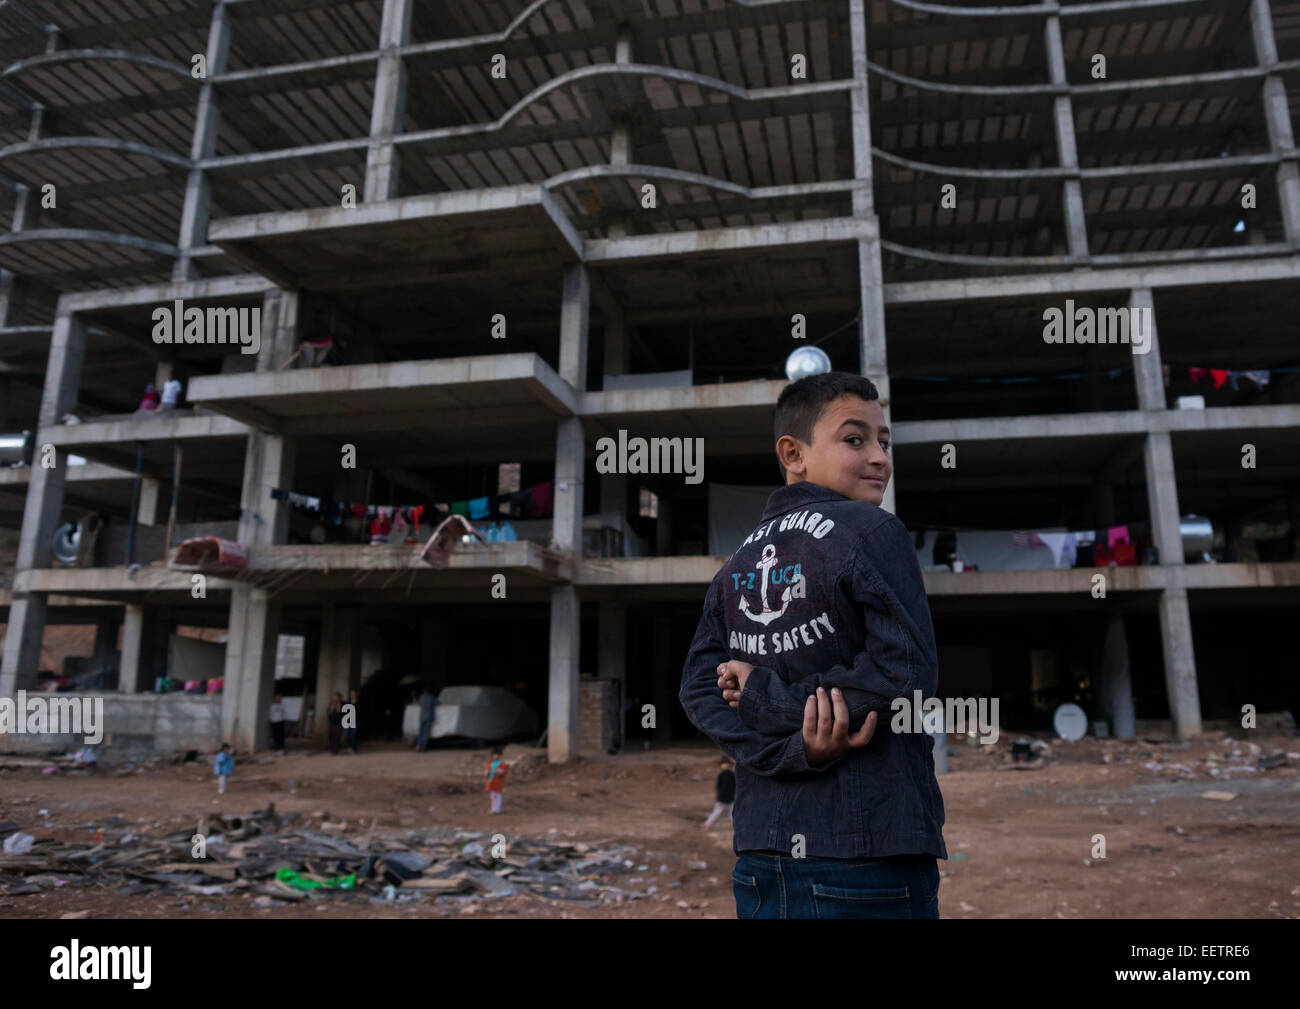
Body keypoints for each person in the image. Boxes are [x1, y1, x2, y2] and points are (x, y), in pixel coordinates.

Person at [679, 371, 946, 919]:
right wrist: (798, 729)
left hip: (759, 860)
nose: (879, 457)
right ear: (792, 453)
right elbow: (908, 673)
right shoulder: (872, 530)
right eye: (855, 439)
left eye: (884, 440)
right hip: (865, 854)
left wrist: (785, 745)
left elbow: (700, 691)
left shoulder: (737, 564)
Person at [703, 757, 736, 831]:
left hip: (730, 797)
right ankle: (707, 824)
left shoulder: (732, 774)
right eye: (723, 764)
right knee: (717, 812)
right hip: (722, 798)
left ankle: (737, 827)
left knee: (733, 814)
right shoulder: (721, 775)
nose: (725, 765)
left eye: (726, 764)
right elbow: (718, 786)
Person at [484, 748, 508, 813]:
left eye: (497, 755)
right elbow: (487, 772)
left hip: (497, 782)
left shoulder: (502, 764)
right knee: (493, 796)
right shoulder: (490, 763)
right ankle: (494, 808)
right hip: (491, 782)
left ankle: (497, 809)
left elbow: (503, 772)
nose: (496, 756)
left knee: (497, 795)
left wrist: (499, 771)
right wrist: (486, 773)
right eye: (495, 755)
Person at [416, 683, 437, 751]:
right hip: (429, 716)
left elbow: (418, 703)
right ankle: (423, 746)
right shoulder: (431, 697)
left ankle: (418, 746)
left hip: (422, 716)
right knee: (426, 732)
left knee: (421, 732)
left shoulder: (421, 697)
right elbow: (439, 703)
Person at [346, 689, 360, 754]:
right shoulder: (348, 703)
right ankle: (350, 747)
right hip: (348, 722)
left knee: (354, 735)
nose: (352, 695)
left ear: (356, 694)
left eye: (353, 693)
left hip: (356, 721)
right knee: (347, 734)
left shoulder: (358, 702)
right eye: (351, 694)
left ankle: (354, 749)